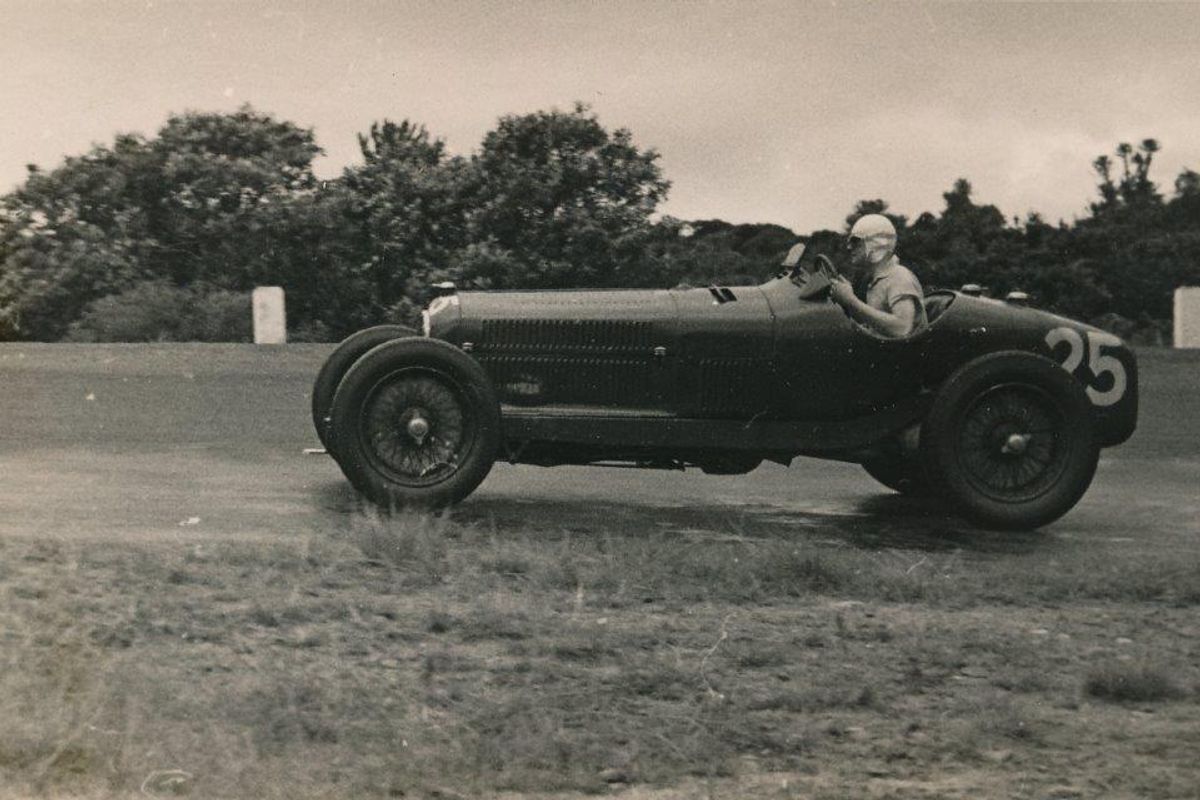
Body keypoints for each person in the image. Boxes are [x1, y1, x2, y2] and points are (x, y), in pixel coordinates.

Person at [827, 214, 927, 338]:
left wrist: (851, 301)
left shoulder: (898, 277)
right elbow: (875, 323)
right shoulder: (877, 279)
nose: (849, 247)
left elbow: (903, 328)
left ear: (875, 243)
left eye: (855, 241)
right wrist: (845, 299)